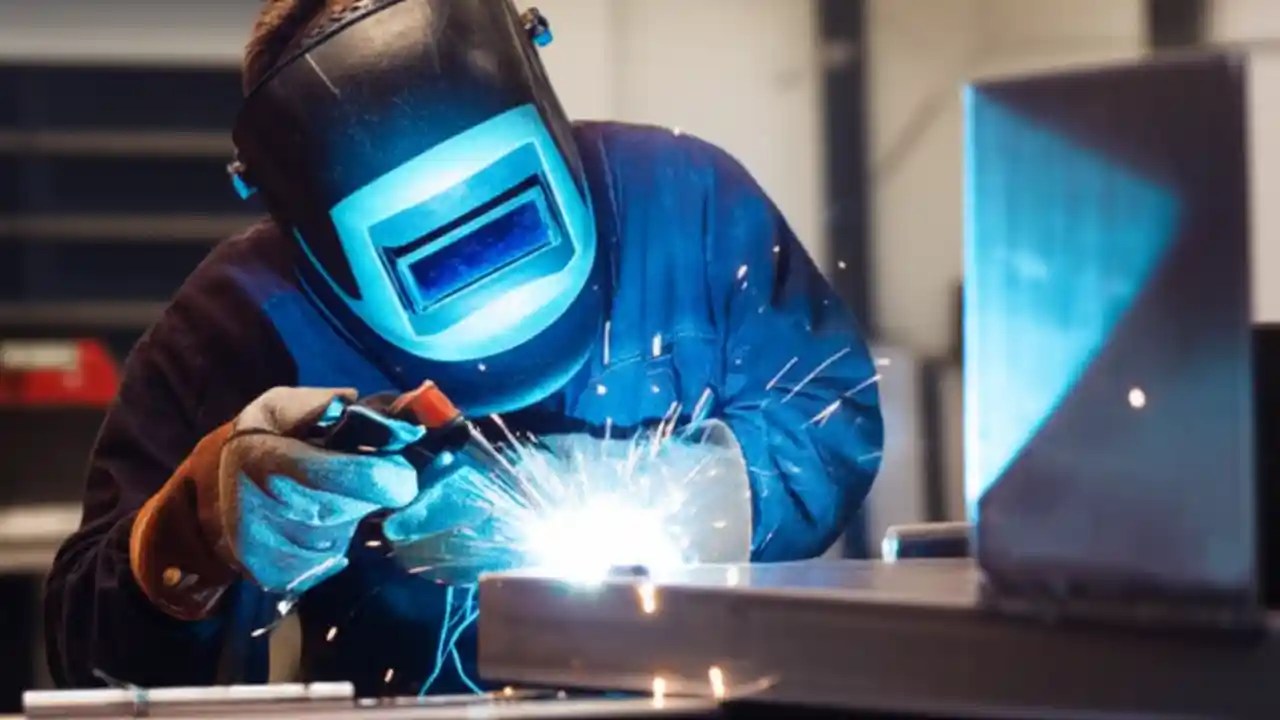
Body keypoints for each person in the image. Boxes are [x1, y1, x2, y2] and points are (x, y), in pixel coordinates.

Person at [44, 0, 884, 698]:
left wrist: (641, 489)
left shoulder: (686, 199)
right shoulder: (236, 320)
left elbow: (832, 423)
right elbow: (89, 651)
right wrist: (191, 535)